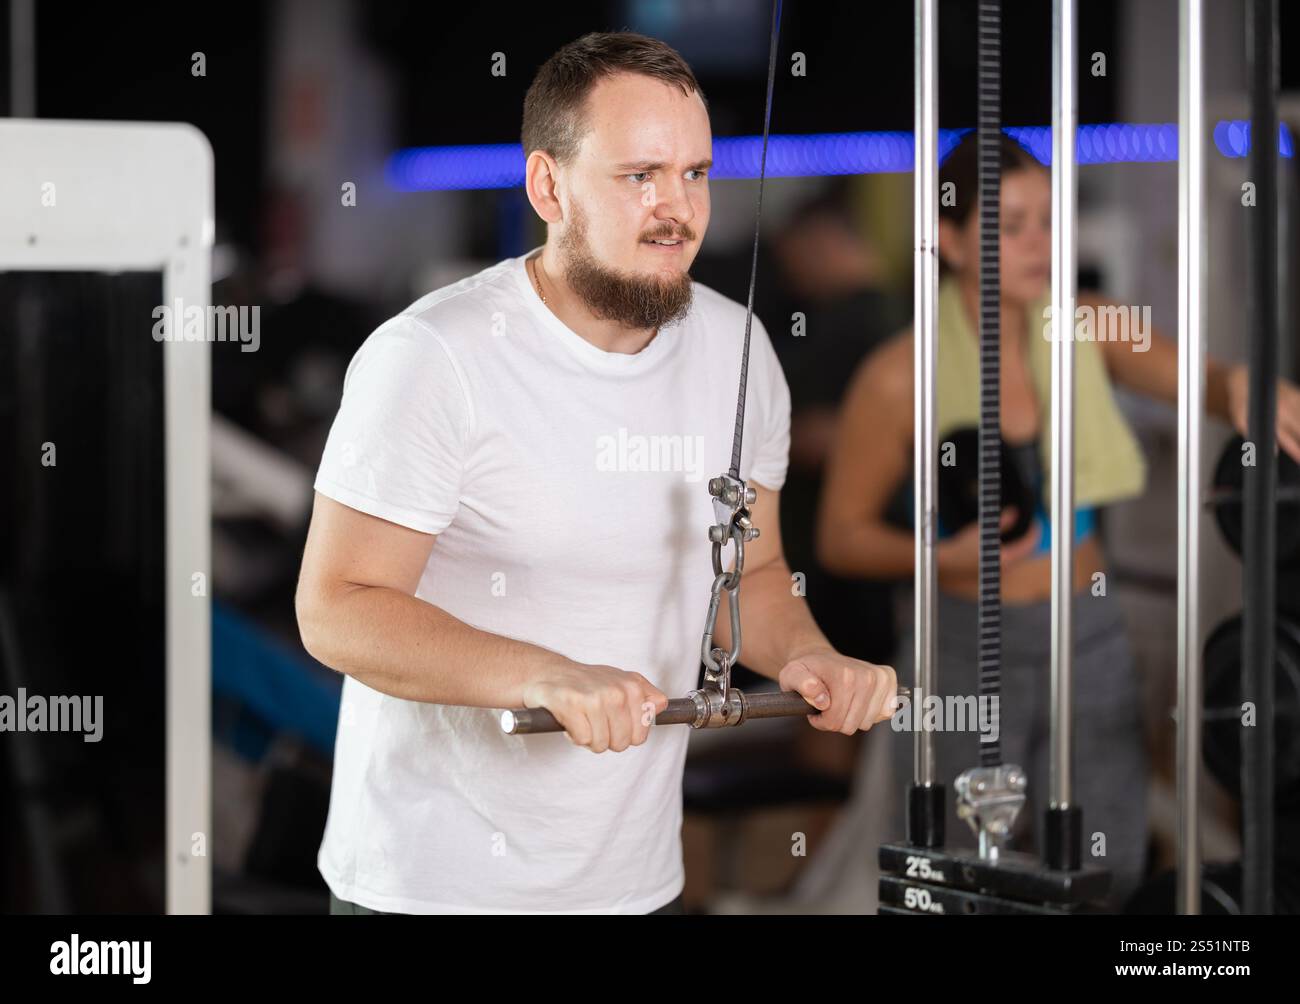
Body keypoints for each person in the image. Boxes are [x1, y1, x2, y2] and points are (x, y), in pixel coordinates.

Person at [294, 31, 897, 916]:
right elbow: (337, 608)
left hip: (633, 885)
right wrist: (544, 672)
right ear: (549, 187)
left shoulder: (738, 350)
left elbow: (754, 572)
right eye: (638, 175)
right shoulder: (433, 356)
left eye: (695, 173)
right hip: (434, 887)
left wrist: (808, 656)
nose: (677, 208)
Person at [817, 133, 1300, 911]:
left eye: (1049, 219)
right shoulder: (896, 377)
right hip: (962, 645)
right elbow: (841, 538)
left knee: (1108, 855)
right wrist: (940, 559)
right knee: (954, 869)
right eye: (1010, 225)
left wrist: (1242, 383)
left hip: (1089, 632)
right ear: (947, 237)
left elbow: (1204, 380)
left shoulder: (1089, 323)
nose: (1040, 243)